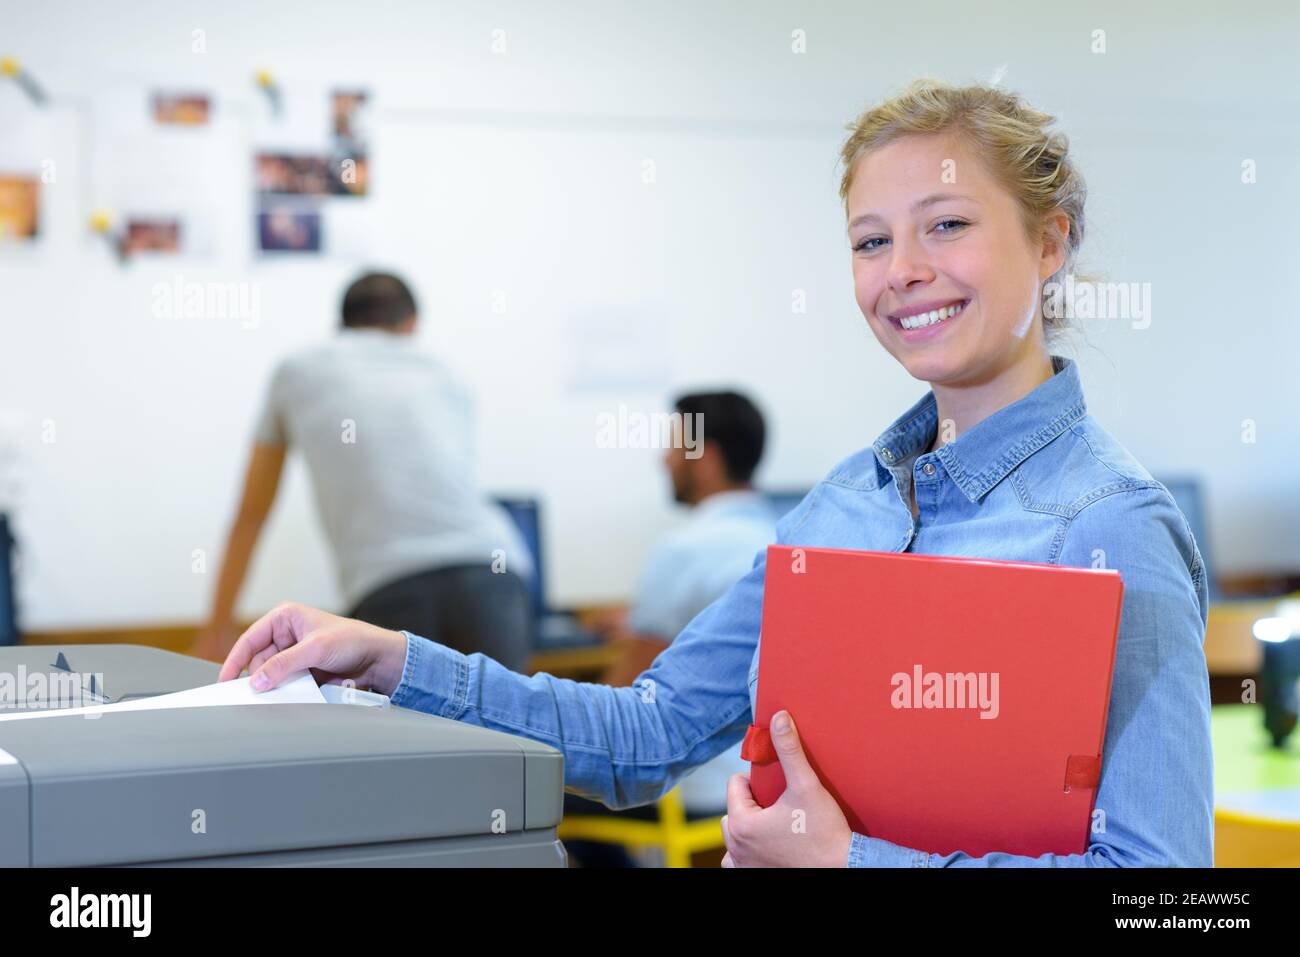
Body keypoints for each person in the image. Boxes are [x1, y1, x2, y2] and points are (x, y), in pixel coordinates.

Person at [219, 80, 1213, 867]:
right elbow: (642, 737)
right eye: (870, 241)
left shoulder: (1109, 527)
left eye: (945, 224)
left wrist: (847, 862)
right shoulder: (841, 508)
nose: (900, 267)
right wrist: (390, 658)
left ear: (1050, 241)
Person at [195, 272, 534, 672]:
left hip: (387, 583)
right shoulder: (449, 374)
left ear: (343, 323)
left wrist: (216, 630)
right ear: (411, 325)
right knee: (502, 730)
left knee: (402, 733)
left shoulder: (296, 369)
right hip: (492, 572)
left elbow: (251, 514)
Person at [566, 390, 777, 866]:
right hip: (761, 783)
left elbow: (620, 698)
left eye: (674, 444)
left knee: (548, 795)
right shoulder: (785, 538)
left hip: (691, 791)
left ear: (707, 456)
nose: (664, 459)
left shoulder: (684, 549)